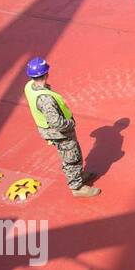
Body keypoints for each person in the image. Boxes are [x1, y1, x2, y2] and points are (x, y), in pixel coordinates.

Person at [24, 58, 100, 198]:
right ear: (46, 73)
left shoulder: (30, 86)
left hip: (49, 130)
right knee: (71, 157)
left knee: (72, 153)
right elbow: (57, 122)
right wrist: (71, 124)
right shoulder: (46, 99)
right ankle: (76, 186)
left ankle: (79, 174)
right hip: (59, 133)